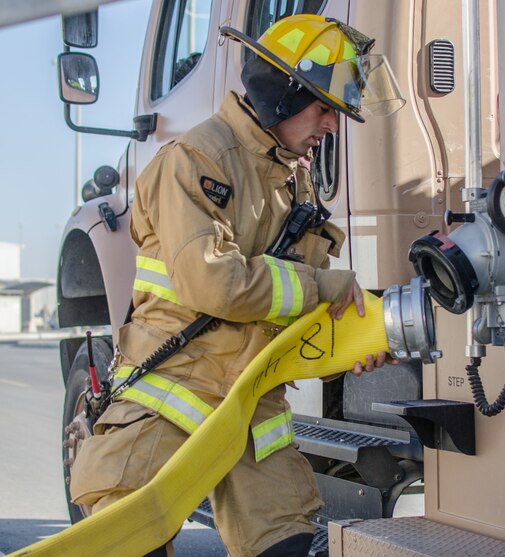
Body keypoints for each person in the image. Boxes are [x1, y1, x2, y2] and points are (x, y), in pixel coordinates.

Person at [69, 14, 405, 557]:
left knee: (287, 546)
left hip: (252, 402)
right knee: (130, 544)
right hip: (176, 389)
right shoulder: (198, 159)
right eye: (324, 108)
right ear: (281, 94)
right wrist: (322, 285)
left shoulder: (290, 174)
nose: (332, 126)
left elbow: (278, 301)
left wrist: (352, 345)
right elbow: (216, 285)